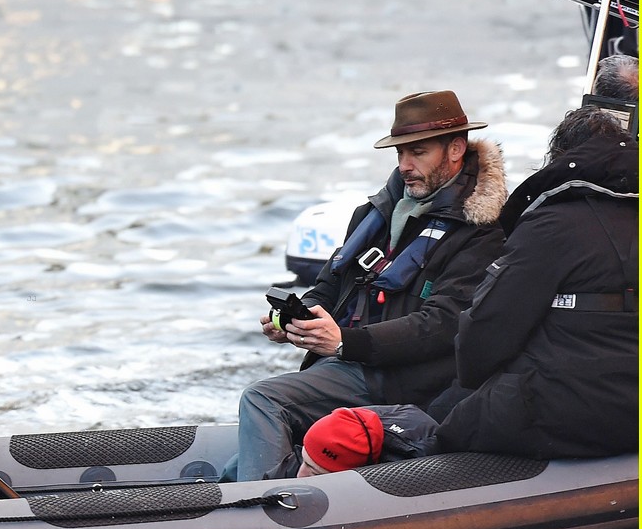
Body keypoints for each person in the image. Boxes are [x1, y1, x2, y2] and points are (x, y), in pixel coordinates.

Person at [222, 90, 507, 482]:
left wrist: (344, 343)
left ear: (456, 149)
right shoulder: (375, 213)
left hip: (402, 378)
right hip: (351, 362)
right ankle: (242, 496)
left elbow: (443, 325)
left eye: (418, 152)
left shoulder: (482, 233)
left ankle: (260, 509)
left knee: (263, 398)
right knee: (233, 470)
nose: (405, 166)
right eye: (400, 153)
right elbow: (329, 284)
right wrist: (296, 321)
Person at [435, 105, 638, 458]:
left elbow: (488, 328)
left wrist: (472, 382)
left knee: (443, 421)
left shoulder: (552, 225)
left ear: (559, 158)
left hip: (571, 410)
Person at [294, 404, 440, 478]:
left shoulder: (409, 470)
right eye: (304, 461)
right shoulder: (352, 420)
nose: (299, 476)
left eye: (315, 474)